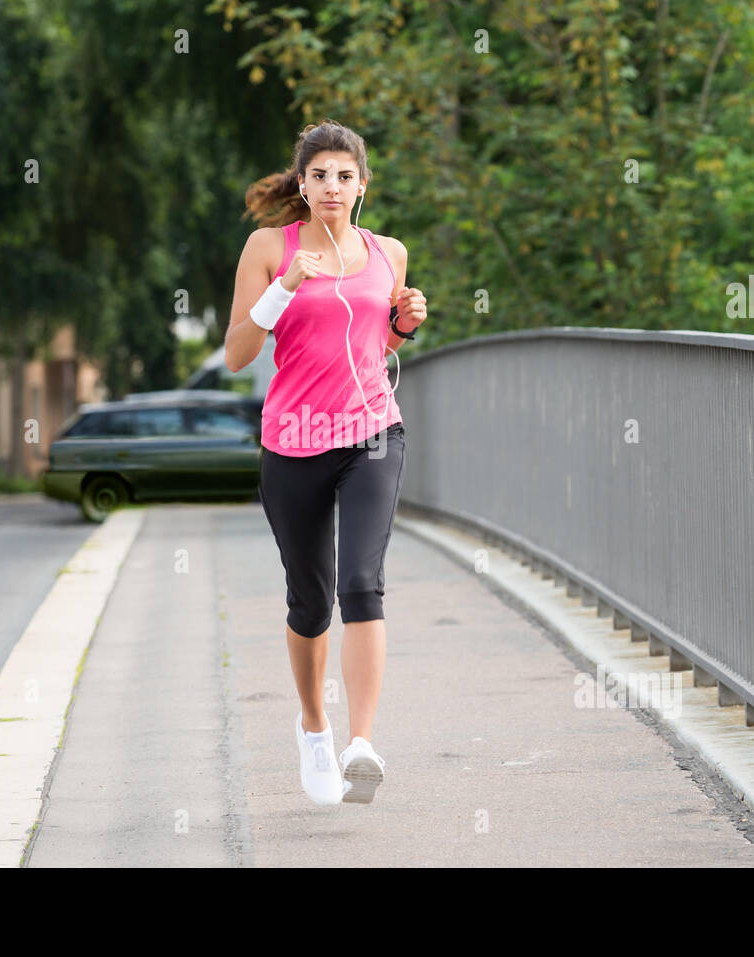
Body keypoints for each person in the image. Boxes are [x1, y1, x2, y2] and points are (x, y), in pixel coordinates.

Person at [226, 119, 428, 806]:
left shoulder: (388, 251)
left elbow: (379, 337)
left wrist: (405, 321)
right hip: (293, 440)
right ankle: (314, 725)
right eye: (320, 176)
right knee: (309, 601)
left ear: (362, 186)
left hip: (372, 431)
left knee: (361, 583)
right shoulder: (268, 248)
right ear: (303, 186)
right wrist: (283, 285)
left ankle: (361, 742)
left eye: (345, 176)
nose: (333, 187)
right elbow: (236, 354)